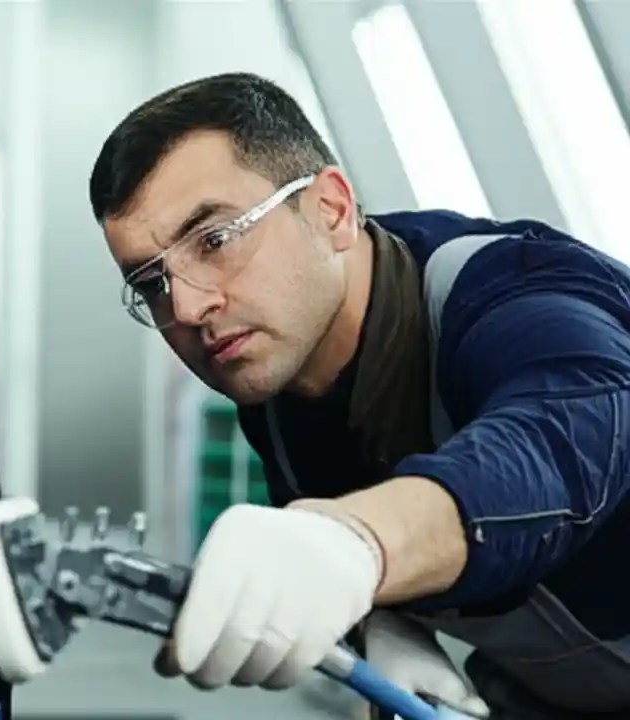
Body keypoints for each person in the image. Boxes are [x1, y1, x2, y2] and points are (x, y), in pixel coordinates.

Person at [88, 72, 630, 717]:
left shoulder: (512, 294)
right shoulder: (280, 391)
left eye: (217, 240)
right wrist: (381, 622)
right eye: (151, 283)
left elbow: (564, 436)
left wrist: (358, 543)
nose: (190, 306)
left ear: (332, 210)